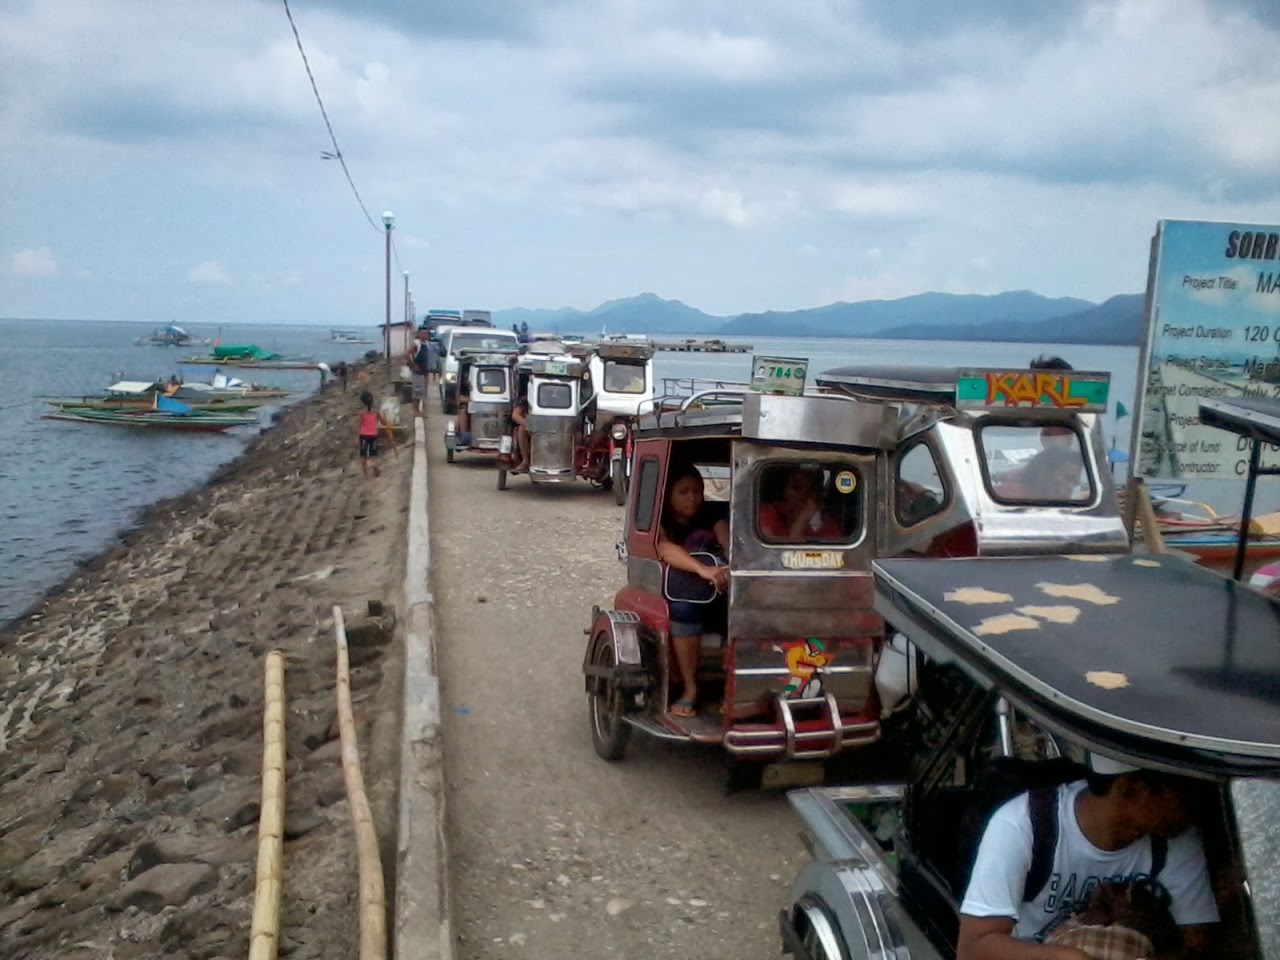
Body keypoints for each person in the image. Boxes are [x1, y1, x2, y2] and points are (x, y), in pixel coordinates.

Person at [958, 757, 1218, 959]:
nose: (1196, 804)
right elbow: (973, 950)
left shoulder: (1176, 837)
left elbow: (1197, 945)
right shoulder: (1022, 826)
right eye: (1185, 791)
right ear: (1129, 789)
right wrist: (1066, 957)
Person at [656, 466, 730, 717]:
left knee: (739, 612)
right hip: (680, 591)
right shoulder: (661, 519)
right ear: (669, 495)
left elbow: (727, 543)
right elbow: (664, 548)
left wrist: (727, 566)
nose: (692, 497)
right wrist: (701, 569)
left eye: (697, 491)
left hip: (717, 589)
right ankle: (690, 688)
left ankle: (732, 687)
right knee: (683, 610)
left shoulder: (712, 514)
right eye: (684, 492)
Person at [758, 467, 842, 540]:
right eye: (796, 487)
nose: (802, 495)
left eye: (810, 490)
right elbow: (779, 554)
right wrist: (801, 521)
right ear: (785, 490)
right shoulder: (768, 512)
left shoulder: (827, 524)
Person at [998, 447, 1082, 501]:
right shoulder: (1005, 498)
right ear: (1045, 474)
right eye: (1068, 478)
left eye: (1075, 482)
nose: (1071, 487)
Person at [356, 390, 391, 479]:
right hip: (373, 435)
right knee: (373, 453)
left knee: (363, 454)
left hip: (363, 435)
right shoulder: (376, 411)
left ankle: (365, 474)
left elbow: (360, 425)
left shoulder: (361, 413)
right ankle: (375, 467)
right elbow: (383, 422)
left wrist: (357, 437)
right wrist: (386, 420)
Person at [405, 330, 431, 416]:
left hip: (425, 372)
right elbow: (406, 354)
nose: (425, 335)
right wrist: (413, 365)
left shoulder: (426, 344)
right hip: (418, 372)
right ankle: (415, 410)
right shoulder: (416, 344)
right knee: (417, 392)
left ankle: (422, 411)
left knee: (423, 392)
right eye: (423, 333)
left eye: (426, 333)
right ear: (419, 334)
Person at [509, 393, 532, 473]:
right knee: (521, 429)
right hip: (531, 428)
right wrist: (529, 424)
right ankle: (525, 460)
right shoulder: (527, 399)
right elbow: (515, 415)